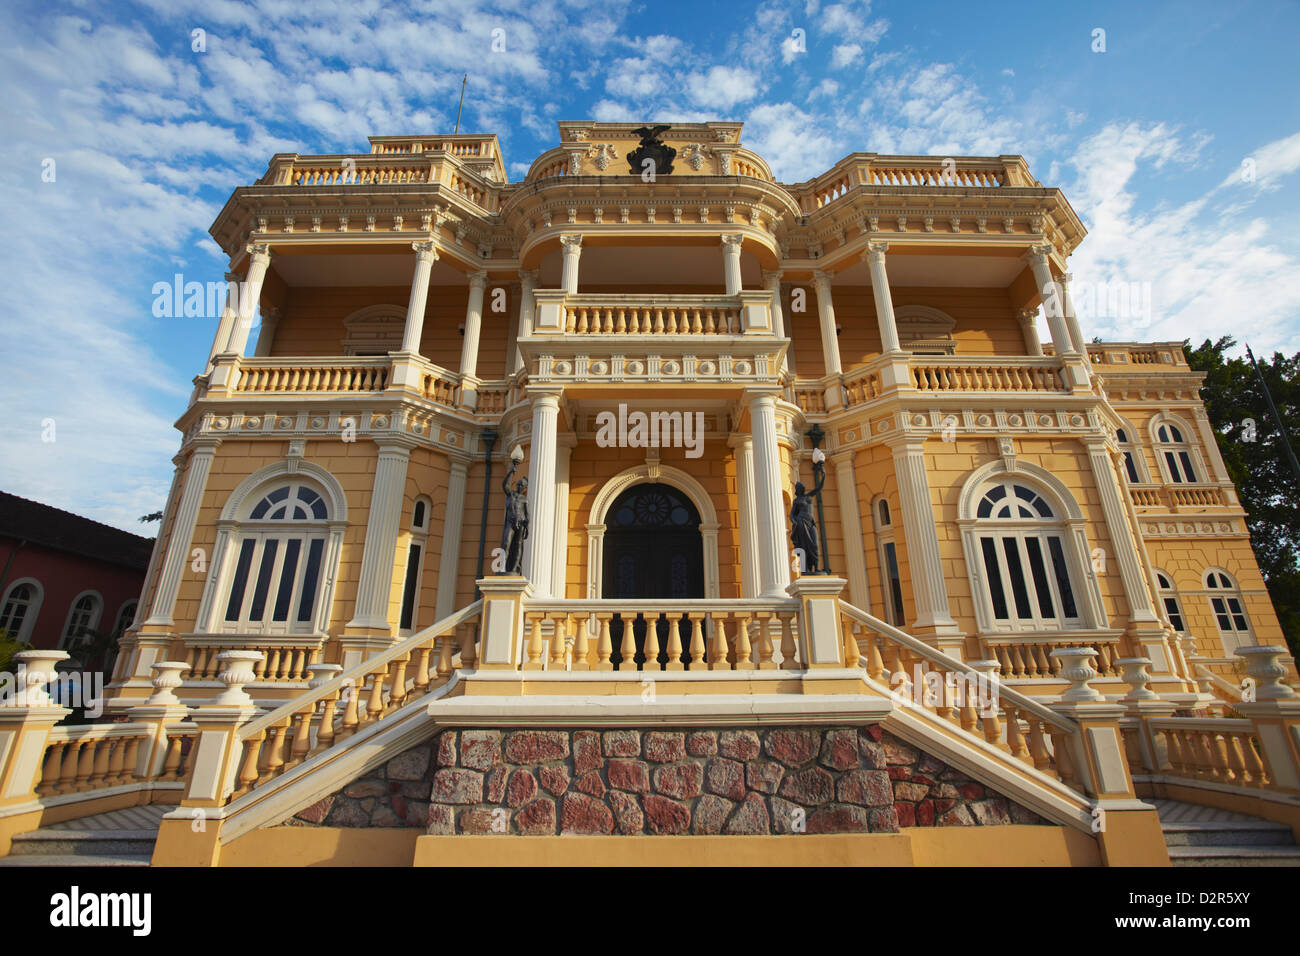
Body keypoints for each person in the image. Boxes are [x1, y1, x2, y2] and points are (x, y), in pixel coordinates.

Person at [789, 461, 826, 573]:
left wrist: (823, 473)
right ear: (798, 489)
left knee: (814, 545)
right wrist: (795, 522)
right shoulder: (797, 501)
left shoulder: (809, 496)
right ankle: (806, 569)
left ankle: (816, 567)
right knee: (804, 546)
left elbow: (819, 487)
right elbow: (792, 514)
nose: (803, 488)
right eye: (801, 487)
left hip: (810, 523)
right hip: (801, 523)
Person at [501, 460, 529, 575]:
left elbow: (527, 514)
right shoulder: (511, 494)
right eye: (518, 484)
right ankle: (502, 567)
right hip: (511, 522)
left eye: (521, 485)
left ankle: (515, 569)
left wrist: (527, 526)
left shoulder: (524, 499)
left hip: (521, 523)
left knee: (518, 547)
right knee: (506, 544)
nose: (519, 486)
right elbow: (505, 485)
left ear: (525, 487)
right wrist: (511, 473)